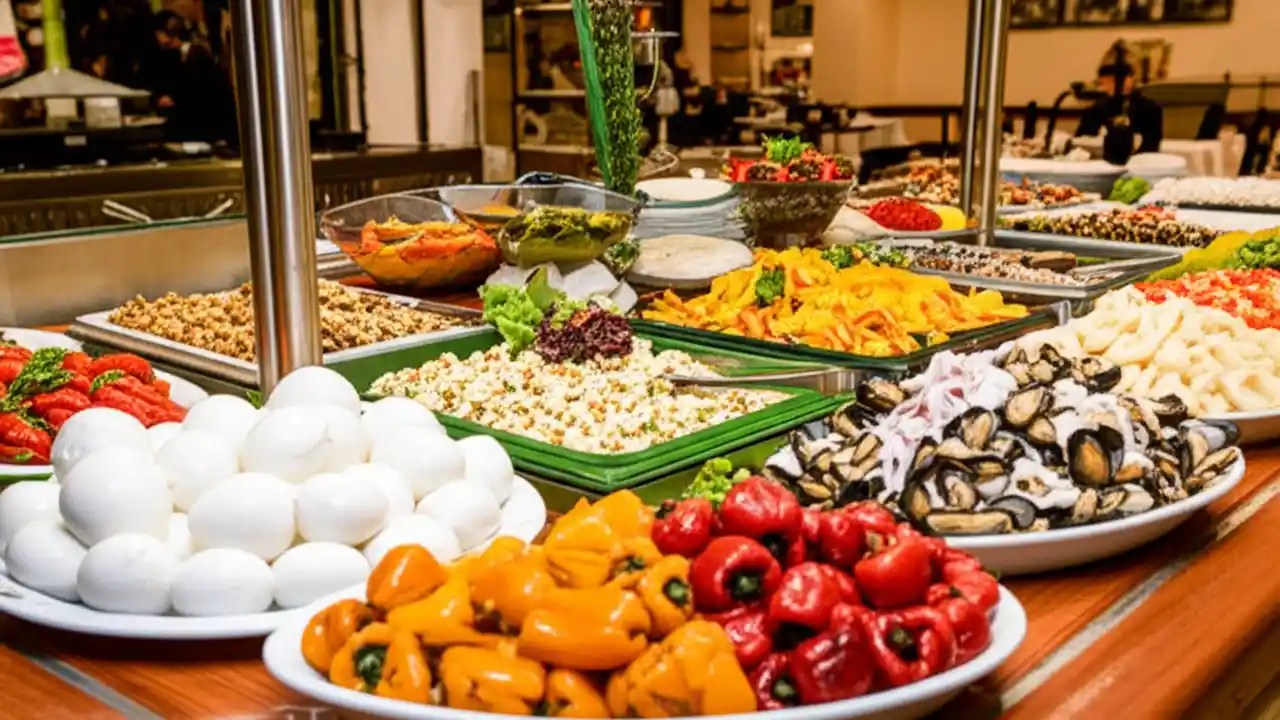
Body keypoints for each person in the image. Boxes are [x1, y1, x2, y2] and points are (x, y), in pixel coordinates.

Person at [145, 10, 237, 144]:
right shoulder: (190, 55)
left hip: (208, 129)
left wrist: (173, 100)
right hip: (207, 126)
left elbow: (197, 97)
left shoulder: (196, 57)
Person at [1076, 40, 1163, 154]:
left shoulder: (1149, 110)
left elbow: (1151, 149)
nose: (1116, 83)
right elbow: (1081, 147)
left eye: (1125, 77)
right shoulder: (1094, 112)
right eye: (1109, 81)